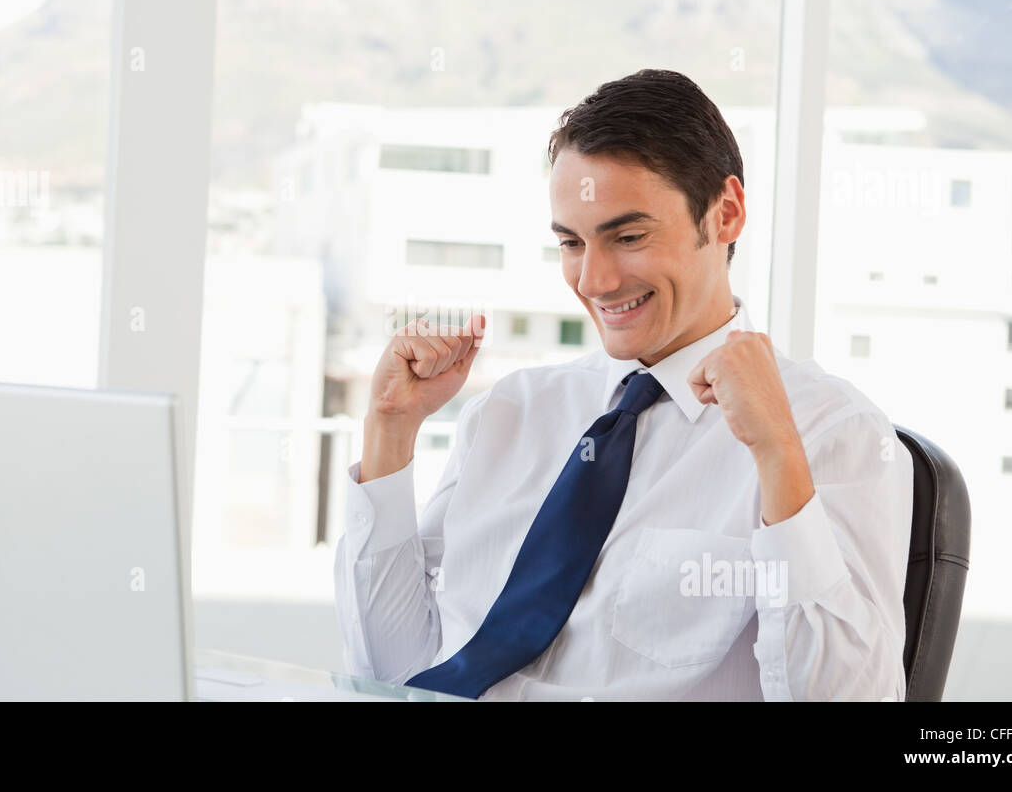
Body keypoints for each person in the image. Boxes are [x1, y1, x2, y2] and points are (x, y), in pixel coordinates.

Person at [333, 69, 913, 701]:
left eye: (629, 237)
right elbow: (393, 674)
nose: (595, 281)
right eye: (572, 243)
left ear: (726, 213)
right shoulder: (511, 411)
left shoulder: (830, 430)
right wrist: (391, 430)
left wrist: (777, 455)